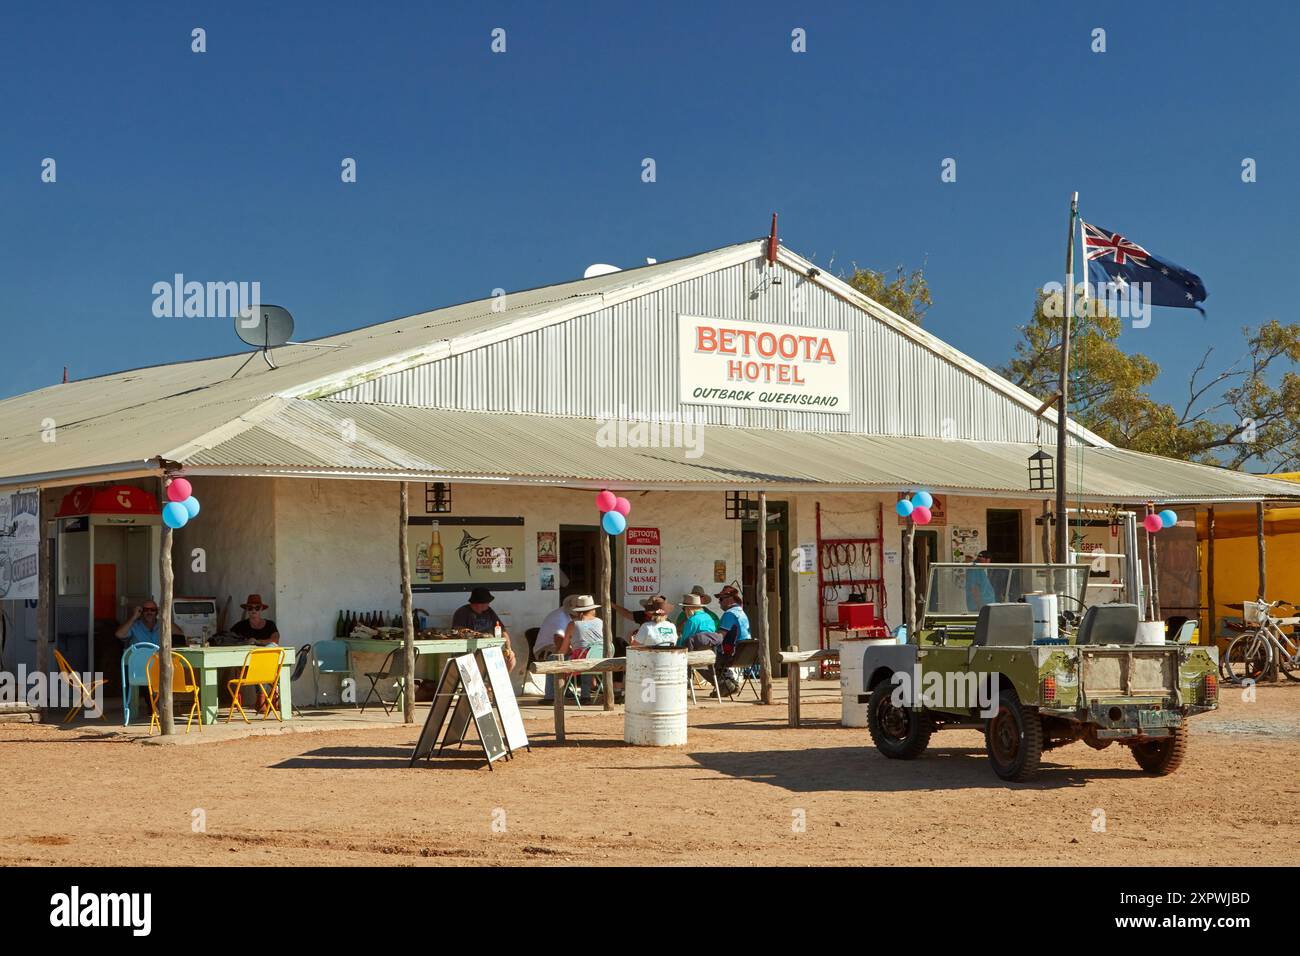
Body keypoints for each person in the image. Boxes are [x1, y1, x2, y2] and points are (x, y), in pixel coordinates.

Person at [229, 594, 281, 714]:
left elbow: (275, 640)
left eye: (257, 608)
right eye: (250, 608)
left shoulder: (270, 625)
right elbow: (229, 638)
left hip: (266, 663)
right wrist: (244, 643)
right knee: (257, 664)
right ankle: (263, 695)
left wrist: (257, 642)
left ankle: (263, 695)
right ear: (247, 610)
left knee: (270, 651)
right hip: (246, 664)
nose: (253, 611)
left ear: (261, 609)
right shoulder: (240, 626)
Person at [452, 587, 517, 670]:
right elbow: (458, 630)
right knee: (480, 664)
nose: (488, 604)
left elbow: (503, 631)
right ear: (479, 603)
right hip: (469, 652)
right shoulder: (462, 612)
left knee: (511, 661)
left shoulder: (489, 611)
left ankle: (494, 683)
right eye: (487, 602)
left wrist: (509, 649)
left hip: (489, 650)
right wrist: (480, 635)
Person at [555, 595, 604, 703]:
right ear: (592, 610)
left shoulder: (573, 624)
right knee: (586, 657)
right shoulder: (600, 622)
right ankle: (585, 695)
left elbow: (563, 648)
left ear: (578, 611)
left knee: (553, 661)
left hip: (583, 660)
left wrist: (557, 655)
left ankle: (551, 696)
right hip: (601, 659)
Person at [535, 595, 581, 703]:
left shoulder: (567, 615)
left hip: (559, 645)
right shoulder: (560, 617)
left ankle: (565, 688)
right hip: (546, 648)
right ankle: (551, 696)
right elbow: (558, 640)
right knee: (557, 658)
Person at [114, 599, 183, 647]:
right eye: (146, 610)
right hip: (138, 660)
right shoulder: (135, 625)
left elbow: (179, 632)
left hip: (157, 661)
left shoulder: (162, 624)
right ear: (141, 611)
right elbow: (119, 634)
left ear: (156, 612)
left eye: (152, 610)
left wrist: (164, 617)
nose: (149, 612)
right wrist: (134, 617)